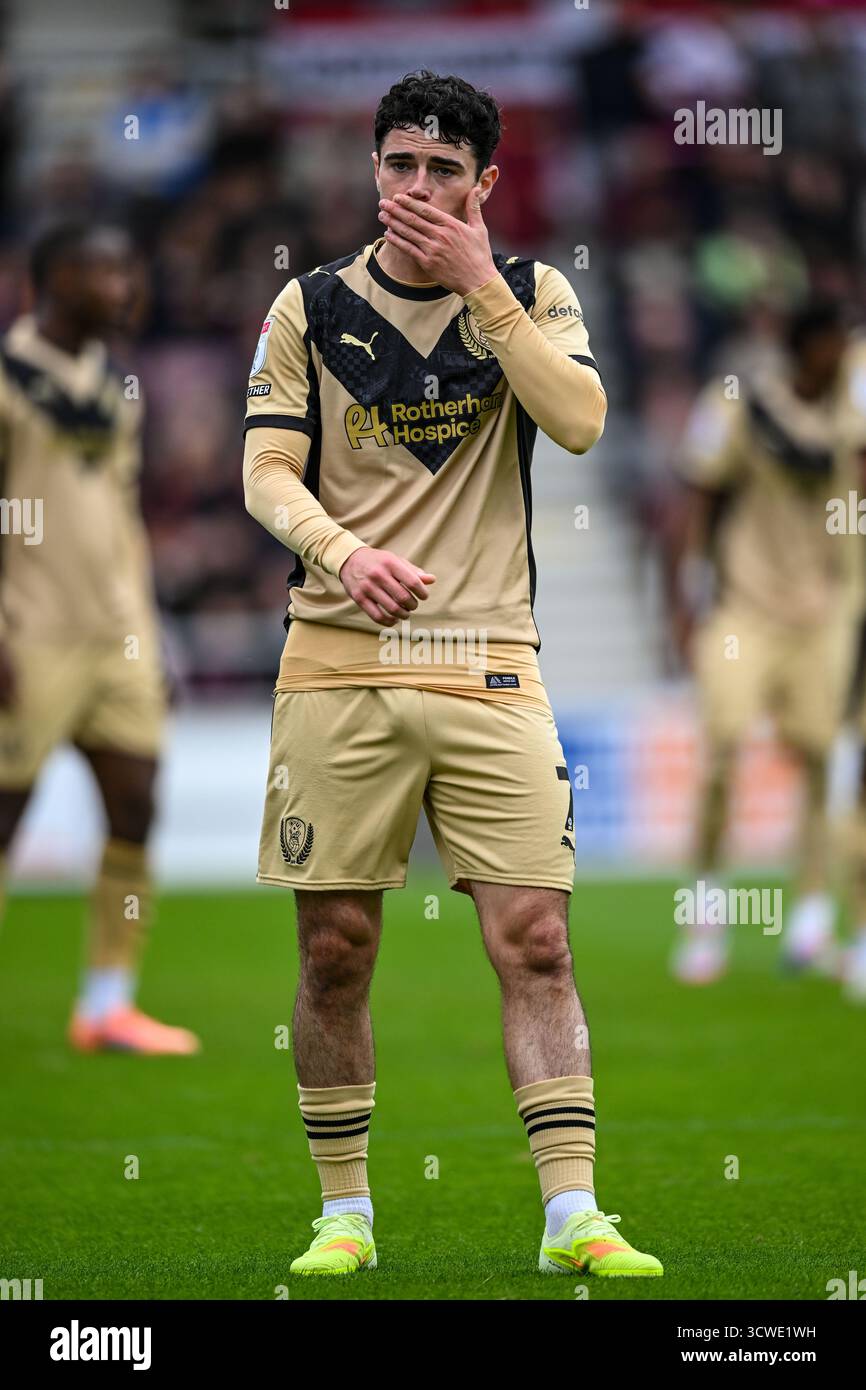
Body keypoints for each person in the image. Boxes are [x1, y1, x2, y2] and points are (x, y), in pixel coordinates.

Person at [244, 71, 661, 1278]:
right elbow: (268, 472)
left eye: (440, 170)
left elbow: (578, 420)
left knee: (535, 940)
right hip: (336, 659)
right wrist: (341, 549)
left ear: (483, 183)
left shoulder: (532, 291)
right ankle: (344, 1214)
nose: (412, 189)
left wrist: (481, 285)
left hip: (487, 660)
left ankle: (571, 1215)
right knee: (334, 948)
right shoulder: (306, 306)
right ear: (372, 171)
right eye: (395, 165)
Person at [0, 221, 199, 1055]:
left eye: (130, 269)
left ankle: (108, 1005)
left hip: (116, 635)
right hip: (26, 633)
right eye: (106, 270)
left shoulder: (120, 388)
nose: (125, 286)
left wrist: (153, 634)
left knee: (137, 807)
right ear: (53, 278)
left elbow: (122, 519)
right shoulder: (7, 379)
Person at [671, 299, 866, 986]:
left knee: (822, 757)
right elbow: (698, 489)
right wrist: (690, 584)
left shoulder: (854, 403)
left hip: (827, 610)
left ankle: (811, 918)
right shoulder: (743, 404)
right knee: (723, 750)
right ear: (802, 348)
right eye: (829, 345)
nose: (840, 355)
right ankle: (706, 907)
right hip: (744, 610)